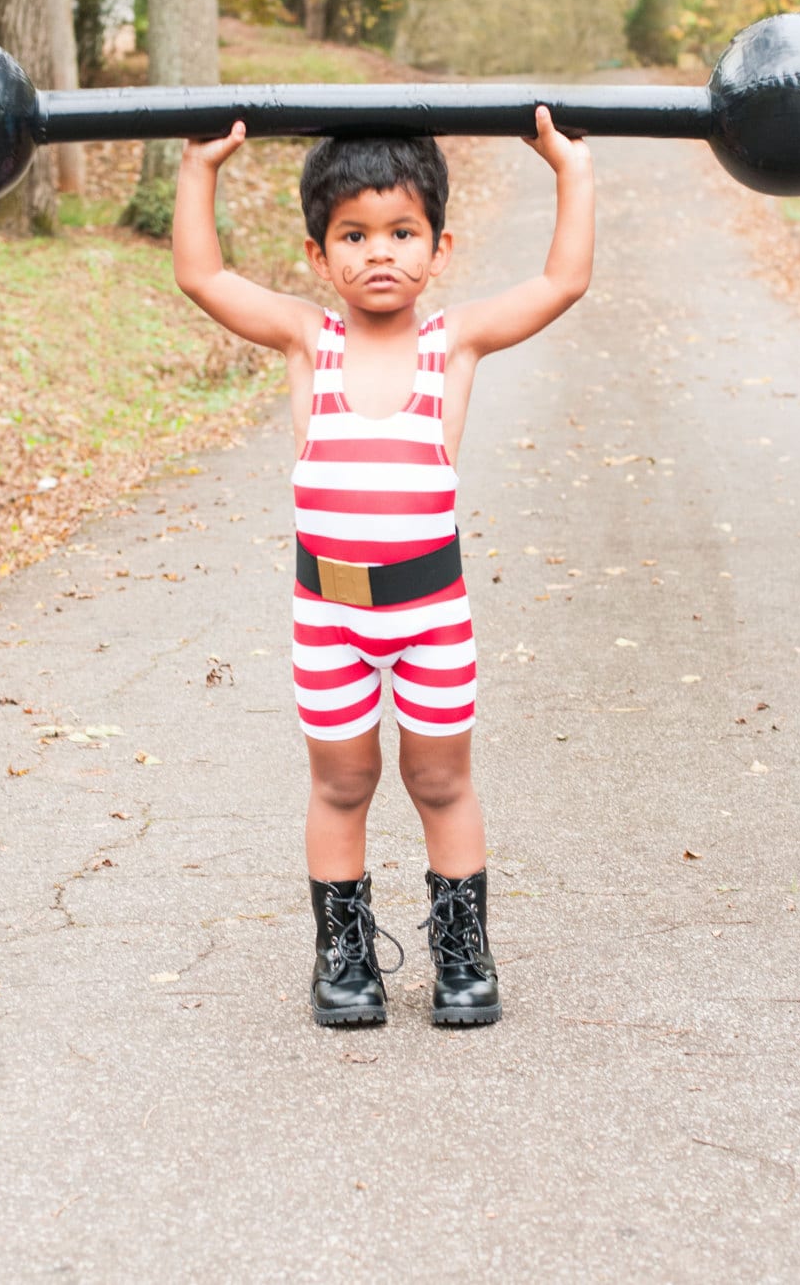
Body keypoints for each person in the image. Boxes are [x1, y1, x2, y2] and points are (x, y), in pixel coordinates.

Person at [173, 108, 594, 1028]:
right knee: (342, 782)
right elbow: (201, 274)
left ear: (439, 249)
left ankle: (461, 950)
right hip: (329, 619)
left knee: (440, 782)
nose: (380, 255)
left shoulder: (456, 342)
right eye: (354, 236)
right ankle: (345, 955)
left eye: (403, 234)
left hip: (431, 616)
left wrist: (569, 166)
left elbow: (565, 280)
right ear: (319, 257)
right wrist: (201, 167)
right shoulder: (304, 340)